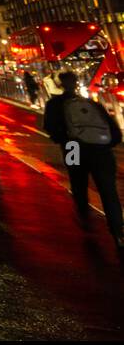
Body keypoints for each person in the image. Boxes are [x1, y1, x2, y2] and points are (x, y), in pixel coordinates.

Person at [42, 71, 124, 252]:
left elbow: (50, 128)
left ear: (60, 84)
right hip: (100, 150)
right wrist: (105, 143)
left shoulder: (55, 104)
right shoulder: (90, 103)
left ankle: (85, 219)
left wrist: (65, 139)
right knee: (108, 190)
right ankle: (118, 230)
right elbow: (113, 130)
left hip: (73, 147)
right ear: (76, 82)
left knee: (78, 182)